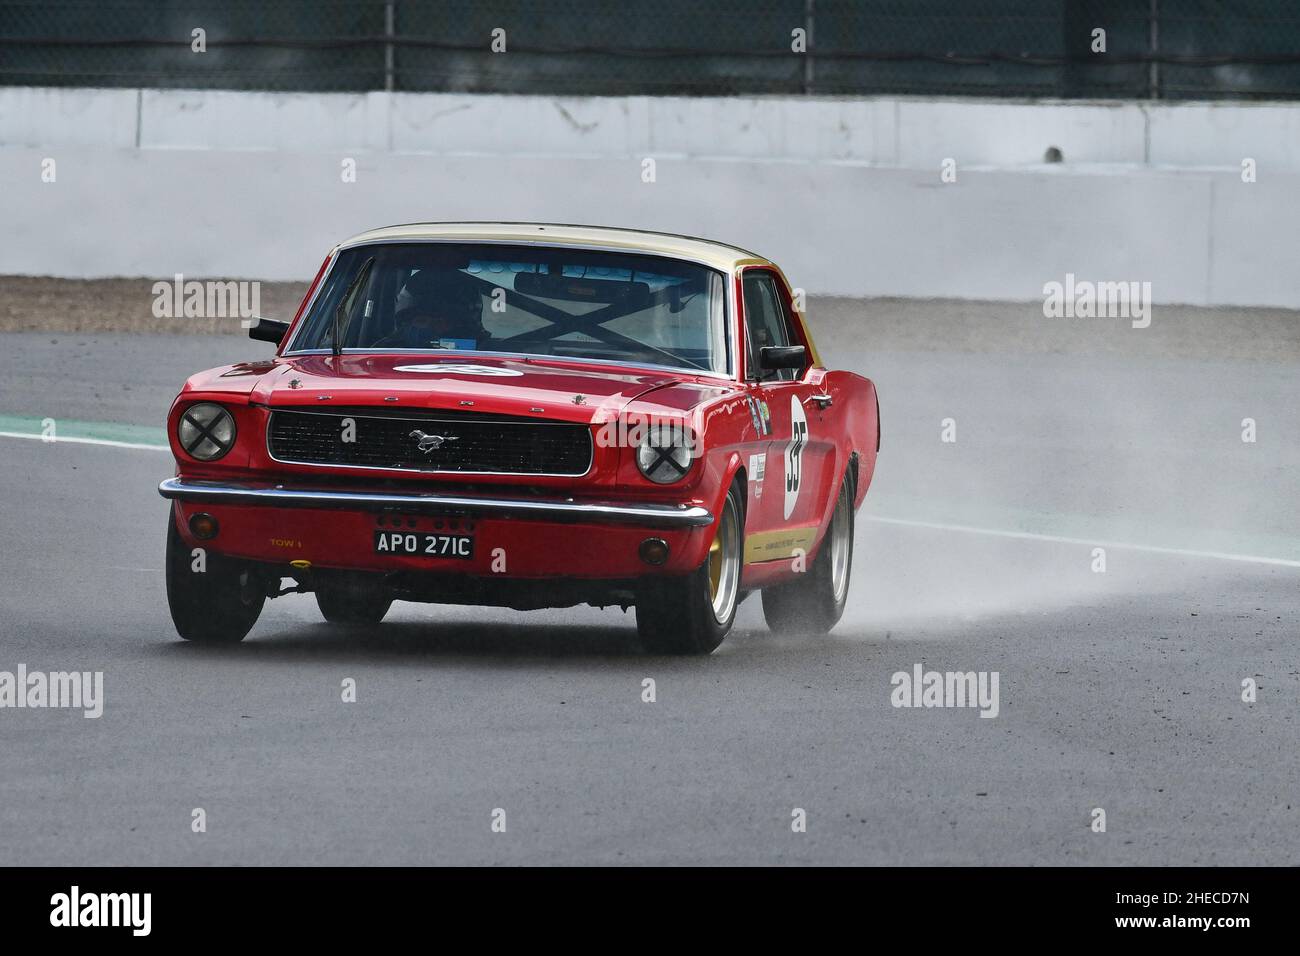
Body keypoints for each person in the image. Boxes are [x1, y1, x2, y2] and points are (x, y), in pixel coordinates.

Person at [376, 269, 488, 348]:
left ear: (460, 325)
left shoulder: (487, 353)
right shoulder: (382, 354)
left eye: (439, 322)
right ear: (406, 324)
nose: (428, 328)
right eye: (421, 321)